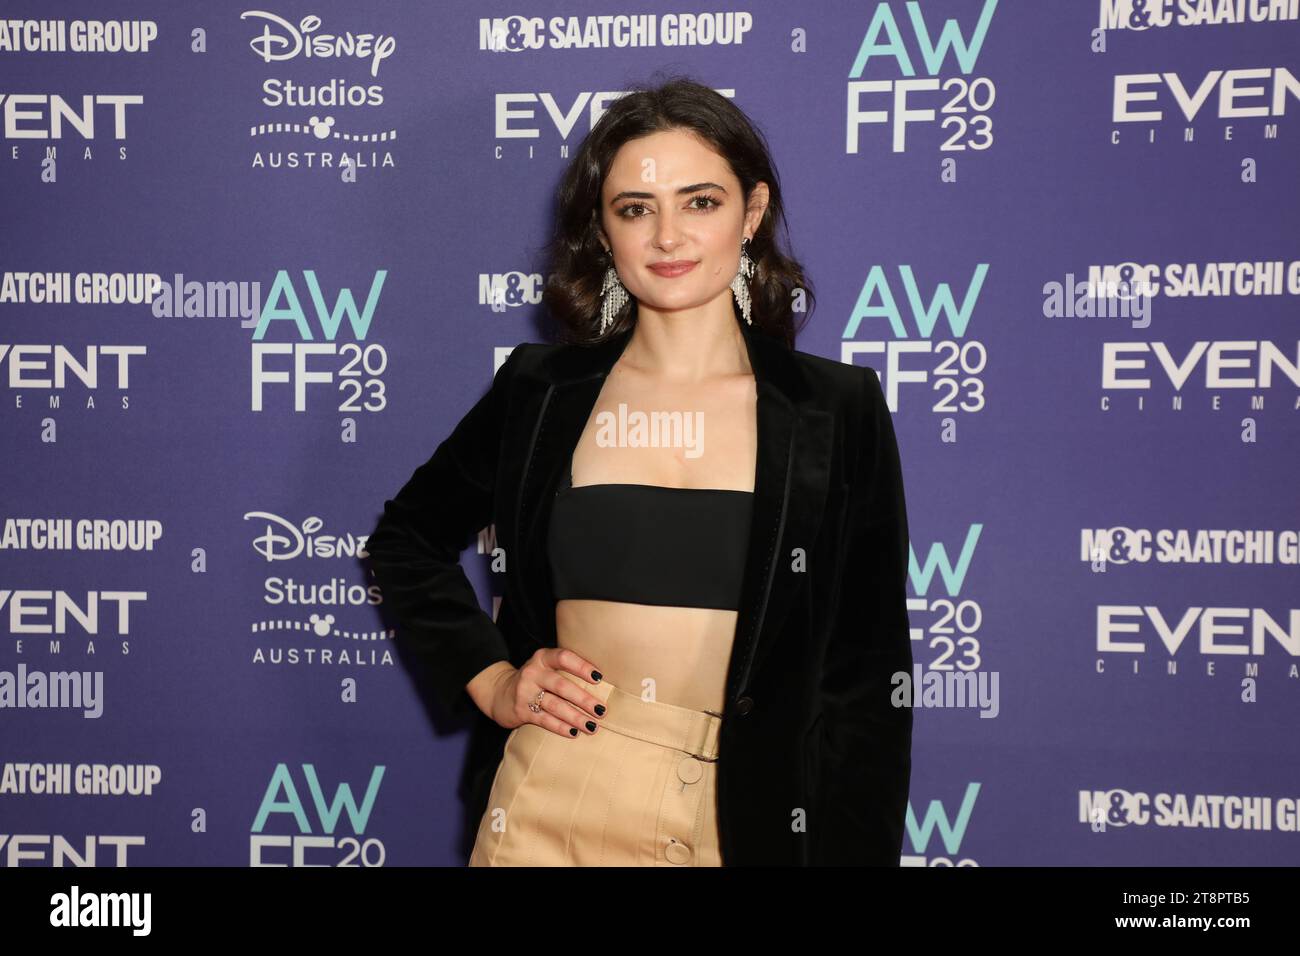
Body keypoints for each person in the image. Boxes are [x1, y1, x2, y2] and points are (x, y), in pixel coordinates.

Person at [366, 75, 913, 866]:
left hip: (751, 815)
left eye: (700, 202)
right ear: (604, 229)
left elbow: (866, 684)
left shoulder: (836, 408)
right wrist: (490, 678)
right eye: (634, 209)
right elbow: (407, 539)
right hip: (556, 793)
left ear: (751, 214)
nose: (667, 237)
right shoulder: (540, 392)